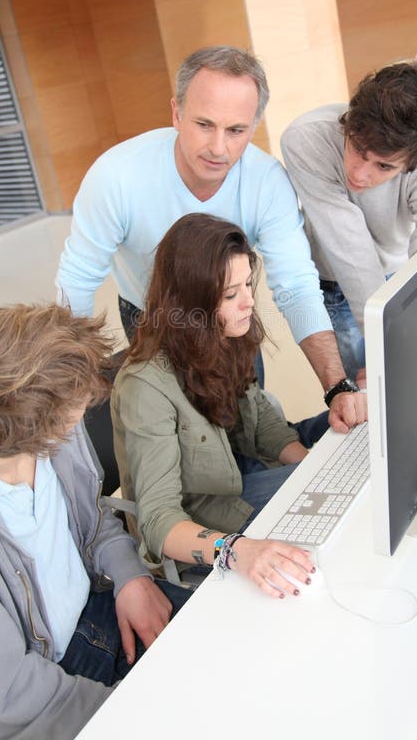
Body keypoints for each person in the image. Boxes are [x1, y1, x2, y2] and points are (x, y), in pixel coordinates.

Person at [56, 45, 367, 433]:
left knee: (246, 432)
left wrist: (336, 385)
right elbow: (78, 279)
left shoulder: (266, 181)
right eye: (204, 124)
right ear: (176, 113)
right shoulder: (116, 176)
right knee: (177, 441)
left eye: (236, 130)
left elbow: (298, 287)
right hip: (149, 312)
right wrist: (74, 375)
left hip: (230, 314)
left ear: (254, 126)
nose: (219, 148)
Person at [0, 304, 191, 740]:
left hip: (102, 603)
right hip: (48, 680)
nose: (90, 399)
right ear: (32, 423)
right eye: (76, 400)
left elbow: (93, 518)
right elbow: (11, 701)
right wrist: (146, 714)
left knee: (236, 643)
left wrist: (130, 576)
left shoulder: (50, 439)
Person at [111, 213, 320, 599]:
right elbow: (158, 520)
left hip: (238, 473)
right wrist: (237, 551)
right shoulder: (145, 387)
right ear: (190, 302)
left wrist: (311, 467)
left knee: (329, 476)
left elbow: (261, 420)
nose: (248, 302)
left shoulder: (225, 331)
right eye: (230, 295)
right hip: (204, 516)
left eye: (247, 285)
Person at [280, 60, 417, 382]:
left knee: (414, 373)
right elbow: (350, 249)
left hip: (400, 270)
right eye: (358, 148)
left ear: (414, 163)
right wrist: (390, 340)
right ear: (349, 123)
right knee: (366, 390)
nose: (358, 173)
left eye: (384, 166)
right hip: (336, 278)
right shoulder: (306, 139)